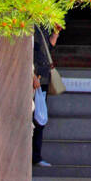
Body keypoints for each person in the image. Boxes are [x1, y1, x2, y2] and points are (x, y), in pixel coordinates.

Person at [32, 25, 59, 168]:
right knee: (29, 118)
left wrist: (55, 33)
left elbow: (48, 48)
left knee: (39, 119)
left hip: (42, 76)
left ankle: (36, 156)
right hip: (32, 76)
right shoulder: (31, 23)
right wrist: (32, 75)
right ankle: (29, 156)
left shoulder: (44, 23)